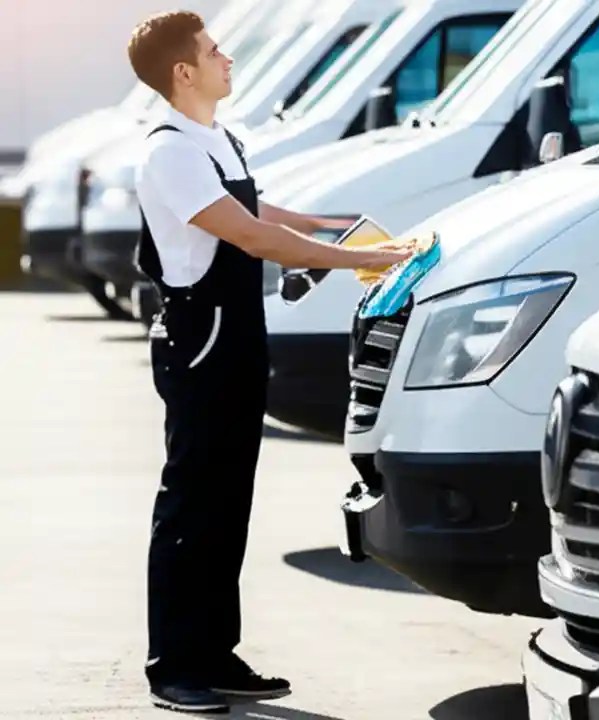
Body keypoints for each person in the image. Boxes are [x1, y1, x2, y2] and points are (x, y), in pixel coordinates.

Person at [126, 11, 414, 714]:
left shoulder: (214, 139)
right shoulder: (169, 150)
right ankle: (174, 667)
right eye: (214, 51)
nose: (228, 59)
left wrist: (322, 223)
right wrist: (362, 260)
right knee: (192, 504)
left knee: (228, 502)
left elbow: (252, 207)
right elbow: (251, 237)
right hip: (201, 338)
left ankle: (214, 654)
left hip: (236, 332)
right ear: (183, 73)